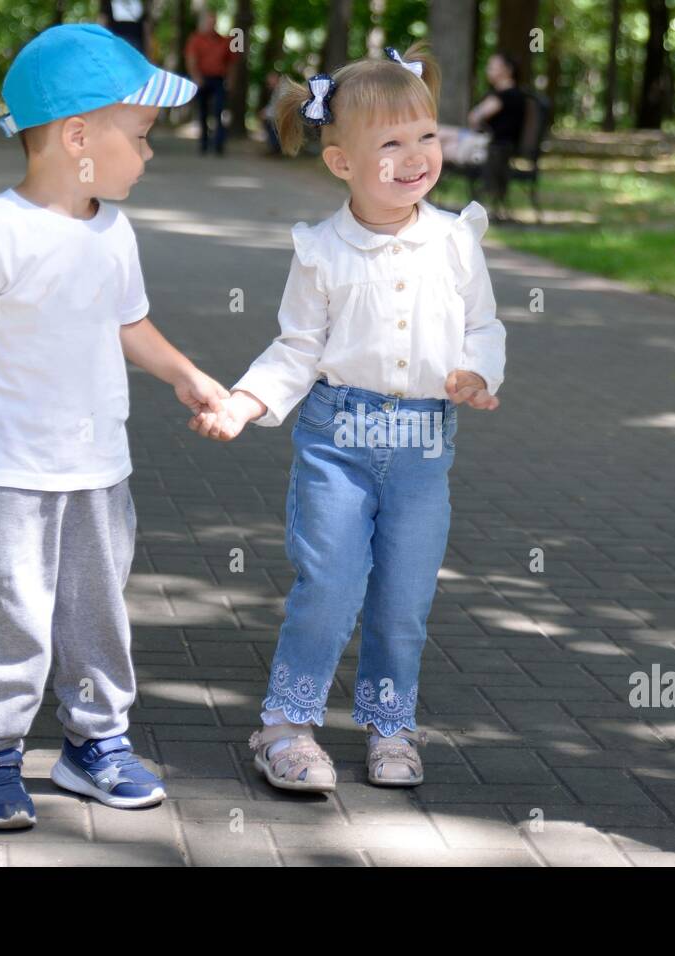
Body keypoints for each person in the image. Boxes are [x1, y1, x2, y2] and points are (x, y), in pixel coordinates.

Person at [0, 24, 226, 829]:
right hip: (7, 469)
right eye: (141, 136)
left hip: (98, 471)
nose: (149, 155)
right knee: (7, 613)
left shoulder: (113, 231)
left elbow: (128, 324)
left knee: (96, 611)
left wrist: (185, 374)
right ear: (78, 136)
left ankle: (94, 744)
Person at [189, 43, 506, 791]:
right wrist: (246, 399)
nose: (414, 156)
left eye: (426, 136)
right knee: (330, 583)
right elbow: (298, 347)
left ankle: (390, 725)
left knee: (404, 596)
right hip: (338, 438)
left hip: (425, 444)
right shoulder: (322, 251)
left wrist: (477, 373)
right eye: (389, 143)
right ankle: (286, 725)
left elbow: (484, 327)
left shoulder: (458, 240)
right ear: (341, 163)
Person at [438, 52, 526, 210]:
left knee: (435, 146)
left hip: (489, 149)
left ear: (507, 70)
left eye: (492, 67)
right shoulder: (513, 94)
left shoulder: (504, 96)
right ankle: (425, 202)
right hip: (490, 146)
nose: (488, 70)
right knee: (436, 136)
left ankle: (424, 201)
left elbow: (474, 117)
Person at [184, 10, 236, 155]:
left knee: (219, 111)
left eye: (213, 22)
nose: (211, 25)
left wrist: (230, 80)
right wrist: (196, 77)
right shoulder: (196, 39)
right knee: (203, 112)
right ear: (204, 23)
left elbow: (231, 63)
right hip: (202, 79)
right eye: (208, 22)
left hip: (218, 79)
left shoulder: (224, 41)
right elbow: (191, 59)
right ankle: (204, 143)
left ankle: (219, 144)